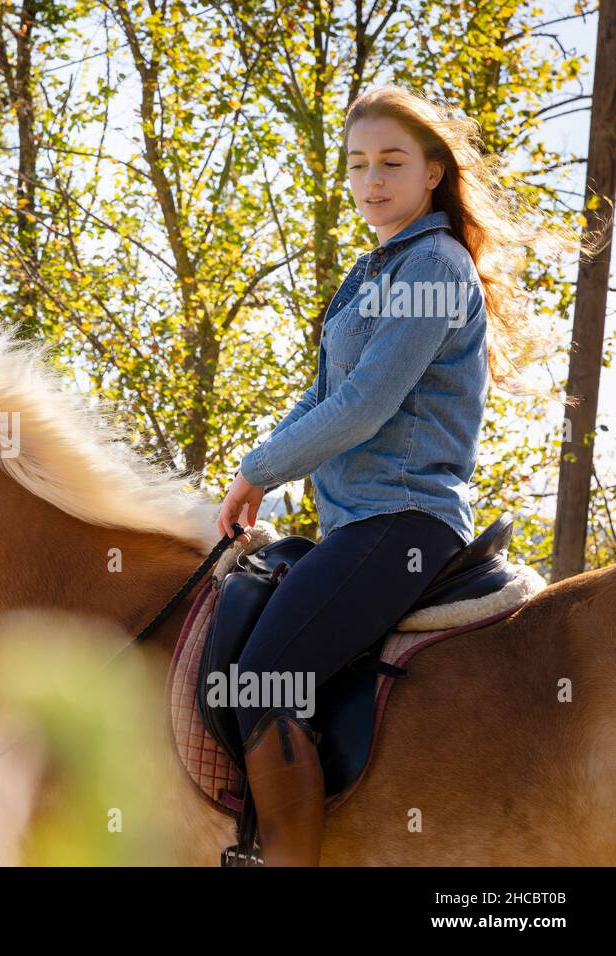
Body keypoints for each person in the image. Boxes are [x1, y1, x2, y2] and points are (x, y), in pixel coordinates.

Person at [214, 85, 575, 866]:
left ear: (434, 172)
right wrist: (257, 475)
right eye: (358, 165)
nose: (371, 181)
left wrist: (258, 471)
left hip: (403, 521)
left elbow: (364, 406)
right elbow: (320, 395)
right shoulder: (375, 268)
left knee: (264, 678)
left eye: (391, 163)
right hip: (356, 523)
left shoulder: (434, 268)